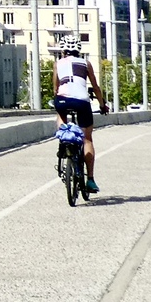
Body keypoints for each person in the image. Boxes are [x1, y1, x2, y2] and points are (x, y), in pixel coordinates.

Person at [53, 42, 106, 193]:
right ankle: (90, 179)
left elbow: (55, 88)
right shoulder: (86, 63)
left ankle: (64, 141)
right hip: (82, 101)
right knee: (87, 139)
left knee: (60, 112)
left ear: (64, 51)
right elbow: (95, 87)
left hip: (62, 100)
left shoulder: (58, 63)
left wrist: (57, 98)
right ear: (78, 51)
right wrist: (102, 105)